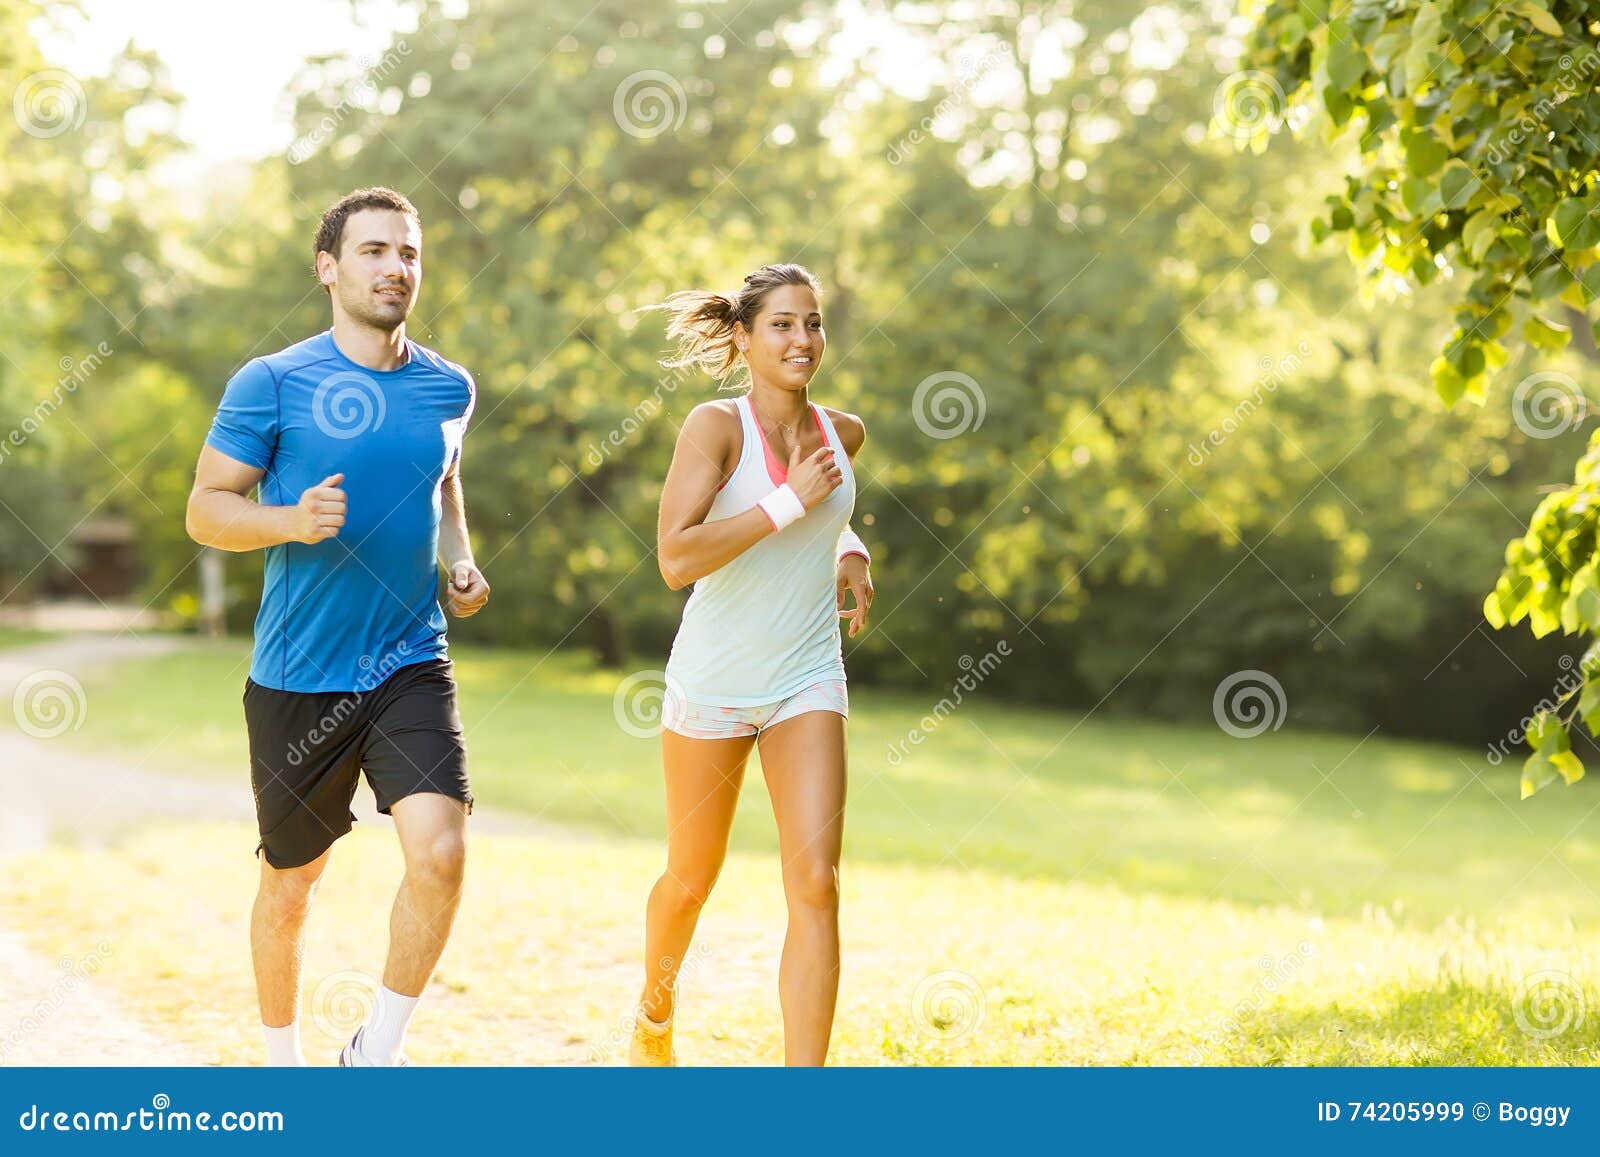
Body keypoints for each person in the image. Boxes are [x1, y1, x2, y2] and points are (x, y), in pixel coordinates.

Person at [184, 186, 490, 1067]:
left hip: (408, 658)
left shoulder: (448, 385)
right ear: (328, 267)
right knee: (292, 883)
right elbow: (207, 508)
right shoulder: (273, 381)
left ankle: (377, 1051)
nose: (396, 267)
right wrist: (287, 521)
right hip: (300, 673)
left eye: (409, 253)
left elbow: (445, 480)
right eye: (374, 251)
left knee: (440, 850)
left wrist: (457, 561)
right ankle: (283, 1065)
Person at [632, 263, 875, 1066]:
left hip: (807, 674)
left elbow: (828, 508)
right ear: (743, 336)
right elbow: (675, 558)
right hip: (715, 680)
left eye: (813, 323)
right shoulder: (715, 427)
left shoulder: (846, 432)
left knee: (816, 885)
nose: (802, 338)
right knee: (690, 879)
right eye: (782, 323)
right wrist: (788, 503)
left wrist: (848, 543)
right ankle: (654, 1014)